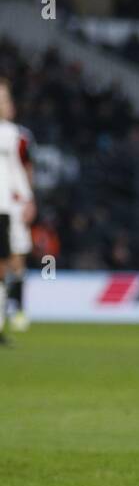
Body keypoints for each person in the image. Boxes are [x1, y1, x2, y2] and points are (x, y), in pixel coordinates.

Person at [0, 81, 33, 344]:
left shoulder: (15, 134)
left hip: (8, 207)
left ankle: (13, 310)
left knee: (13, 258)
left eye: (6, 98)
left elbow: (22, 169)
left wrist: (28, 199)